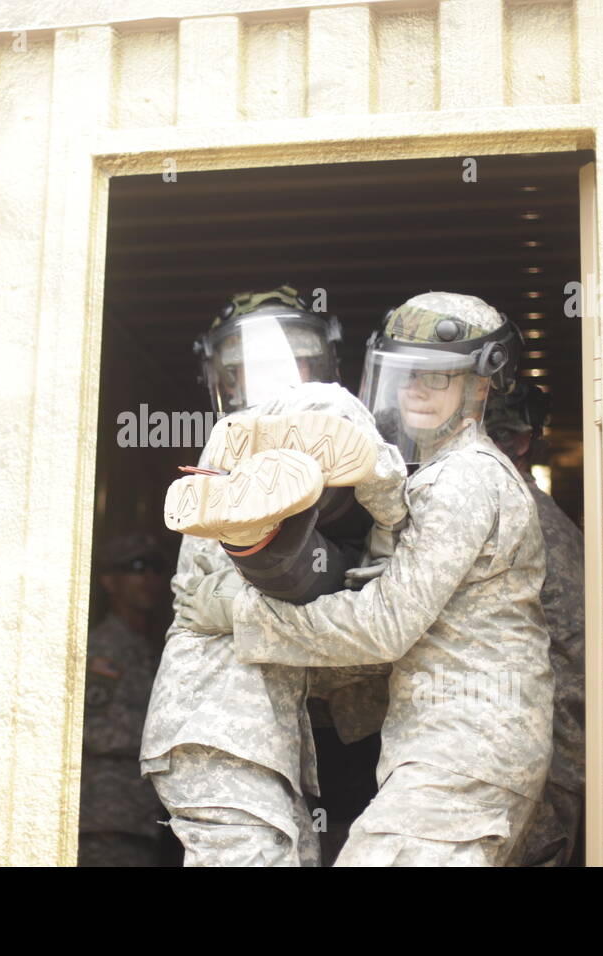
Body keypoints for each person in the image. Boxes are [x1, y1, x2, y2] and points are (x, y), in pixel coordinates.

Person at [229, 291, 554, 866]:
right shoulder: (437, 475)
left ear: (480, 386)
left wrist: (244, 616)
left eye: (439, 377)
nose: (416, 391)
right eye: (407, 376)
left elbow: (385, 626)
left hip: (466, 749)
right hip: (454, 749)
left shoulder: (463, 481)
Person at [141, 286, 399, 866]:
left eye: (299, 361)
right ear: (221, 382)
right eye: (241, 369)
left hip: (273, 746)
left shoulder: (333, 425)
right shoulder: (229, 451)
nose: (276, 379)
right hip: (224, 735)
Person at [485, 385, 586, 866]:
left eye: (490, 434)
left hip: (542, 754)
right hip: (527, 747)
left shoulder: (530, 521)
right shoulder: (512, 514)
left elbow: (573, 656)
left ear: (518, 443)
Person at [79, 534, 173, 866]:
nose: (149, 578)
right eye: (136, 567)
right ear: (109, 580)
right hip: (106, 824)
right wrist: (168, 734)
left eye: (156, 568)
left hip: (140, 824)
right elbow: (93, 728)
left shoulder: (150, 647)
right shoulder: (103, 649)